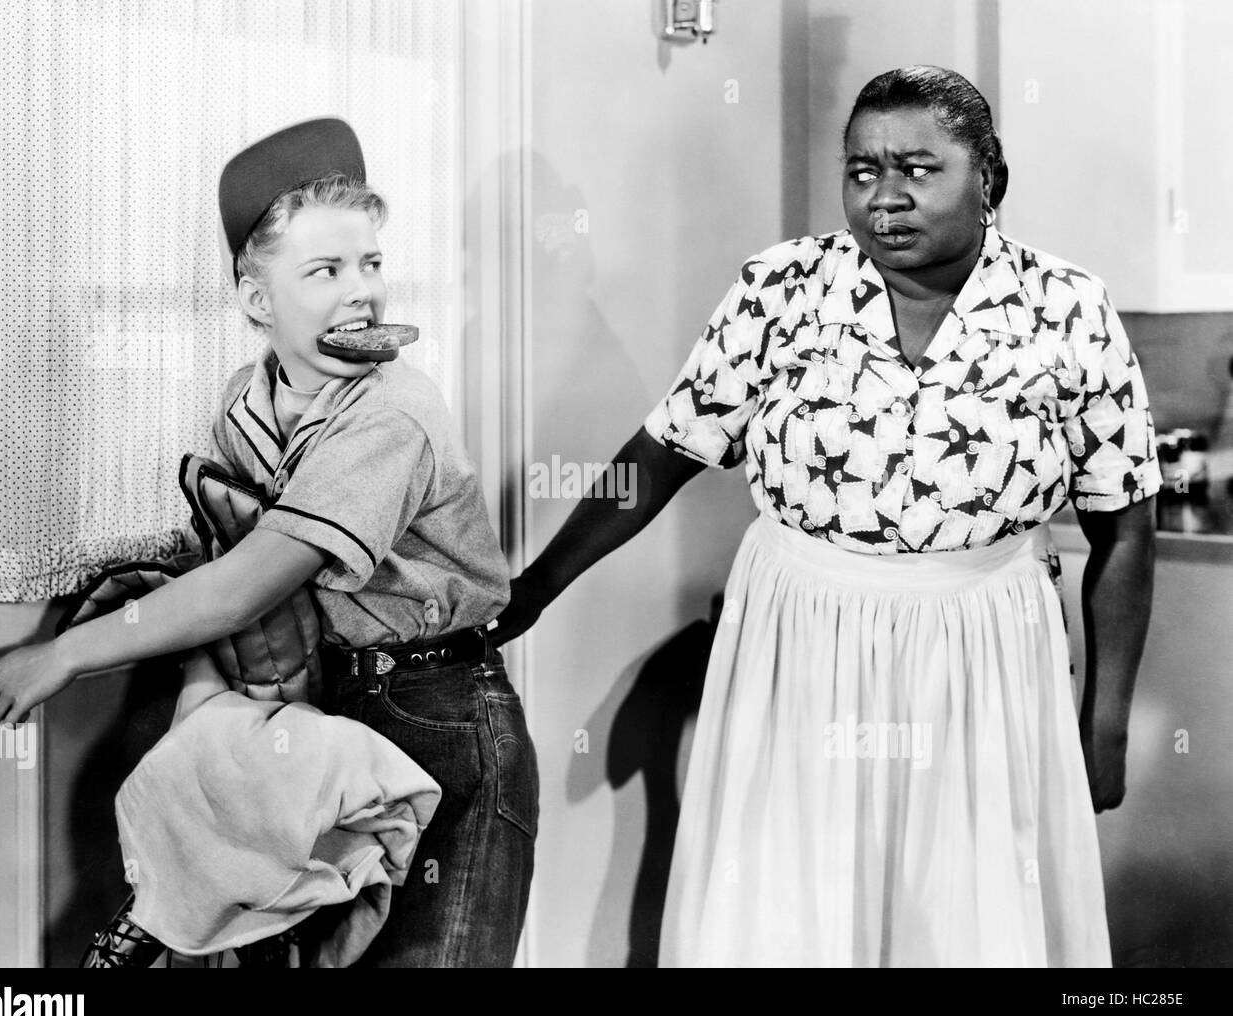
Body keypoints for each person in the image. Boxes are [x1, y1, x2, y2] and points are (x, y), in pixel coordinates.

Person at [493, 67, 1159, 968]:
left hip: (985, 646)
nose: (884, 198)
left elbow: (1125, 524)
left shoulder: (1068, 310)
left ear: (989, 177)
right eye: (861, 170)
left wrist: (1103, 719)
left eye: (918, 169)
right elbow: (664, 455)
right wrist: (536, 583)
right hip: (798, 637)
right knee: (788, 912)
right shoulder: (781, 290)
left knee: (969, 912)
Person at [0, 117, 538, 968]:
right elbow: (217, 563)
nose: (361, 293)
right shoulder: (244, 402)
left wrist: (61, 658)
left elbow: (247, 587)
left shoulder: (392, 413)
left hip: (446, 719)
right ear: (258, 301)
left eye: (371, 264)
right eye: (326, 270)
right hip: (332, 713)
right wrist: (205, 692)